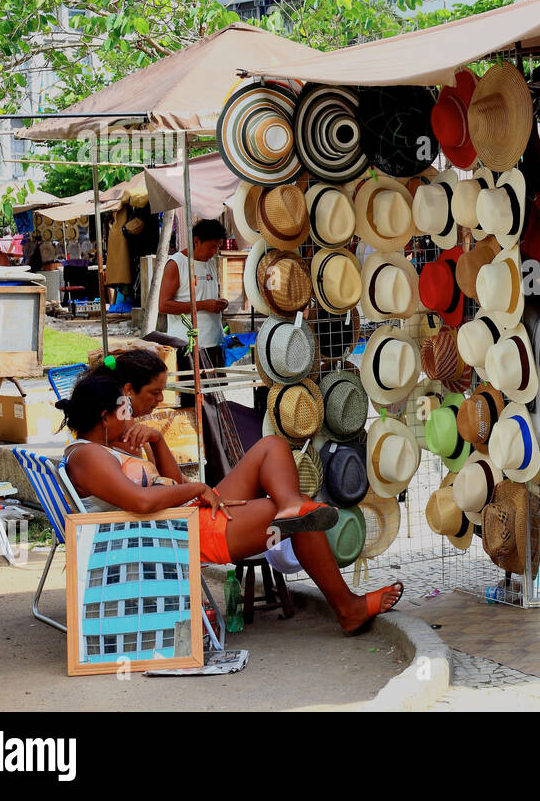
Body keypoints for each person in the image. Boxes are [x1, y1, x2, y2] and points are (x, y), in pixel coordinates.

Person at [59, 349, 403, 635]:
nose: (133, 416)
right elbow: (142, 500)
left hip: (181, 517)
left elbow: (171, 487)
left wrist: (157, 440)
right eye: (127, 410)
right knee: (301, 518)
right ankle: (347, 606)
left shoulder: (113, 445)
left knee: (271, 447)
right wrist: (197, 488)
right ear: (106, 416)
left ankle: (289, 504)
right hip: (172, 535)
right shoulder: (89, 456)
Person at [158, 218, 228, 407]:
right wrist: (204, 304)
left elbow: (206, 296)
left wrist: (219, 303)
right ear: (196, 241)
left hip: (213, 343)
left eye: (218, 247)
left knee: (216, 401)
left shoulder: (210, 263)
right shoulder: (176, 264)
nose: (215, 252)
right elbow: (164, 305)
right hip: (189, 347)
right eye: (212, 246)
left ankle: (215, 437)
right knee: (194, 402)